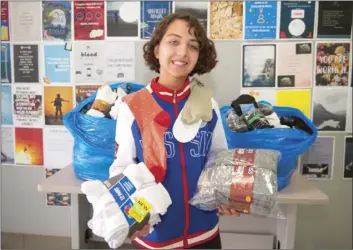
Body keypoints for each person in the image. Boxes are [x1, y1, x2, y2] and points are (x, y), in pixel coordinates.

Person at [111, 12, 239, 249]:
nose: (182, 52)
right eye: (173, 41)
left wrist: (226, 193)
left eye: (193, 46)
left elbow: (219, 160)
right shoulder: (132, 106)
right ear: (157, 49)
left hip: (205, 234)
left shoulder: (207, 103)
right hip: (154, 238)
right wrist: (132, 215)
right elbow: (121, 169)